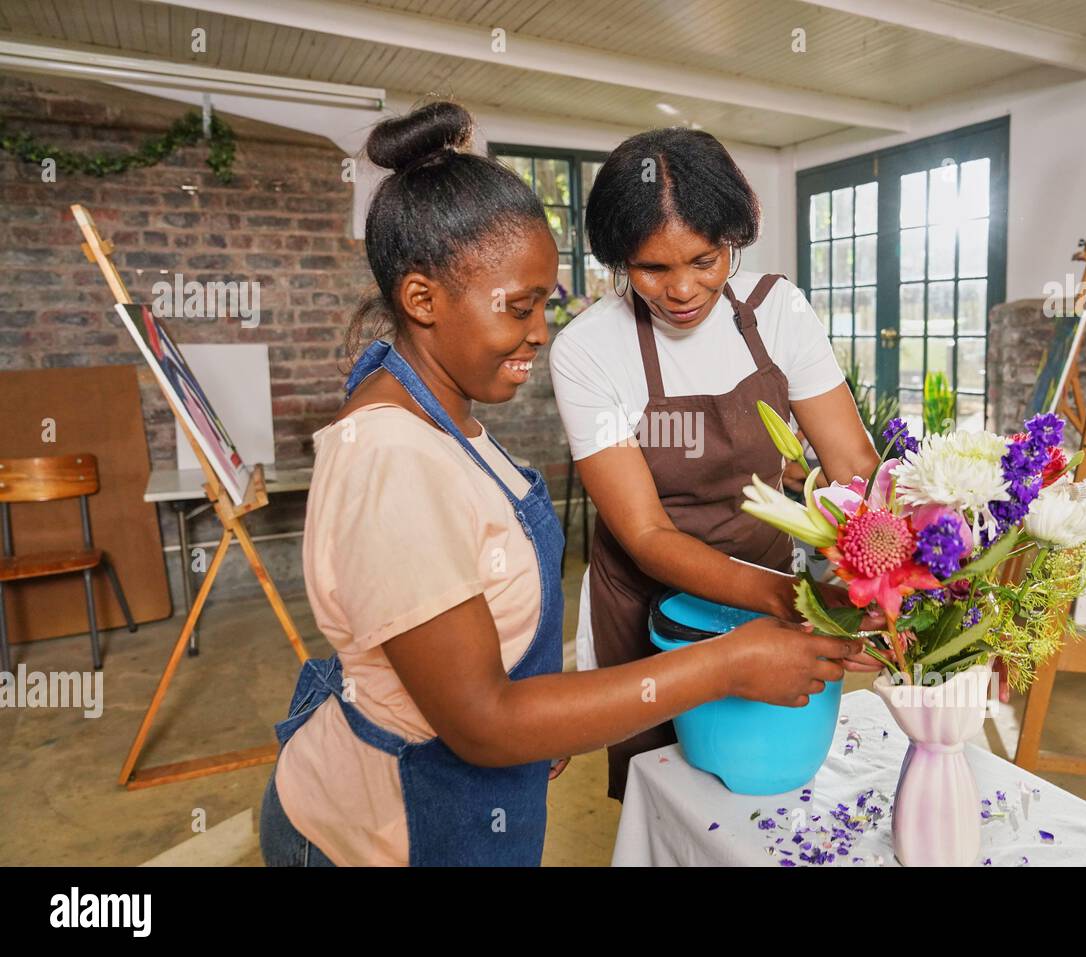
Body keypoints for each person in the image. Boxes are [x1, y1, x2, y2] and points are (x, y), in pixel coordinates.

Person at [258, 101, 856, 867]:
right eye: (521, 306)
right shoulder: (394, 456)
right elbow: (483, 720)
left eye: (544, 301)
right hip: (384, 827)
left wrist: (543, 715)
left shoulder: (441, 414)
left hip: (470, 799)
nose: (542, 331)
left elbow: (480, 662)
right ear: (420, 300)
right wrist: (730, 660)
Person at [550, 127, 881, 801]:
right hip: (651, 600)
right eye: (651, 268)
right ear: (618, 261)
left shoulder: (778, 311)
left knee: (767, 777)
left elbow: (851, 462)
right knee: (673, 800)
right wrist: (787, 599)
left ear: (733, 237)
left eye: (705, 259)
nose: (681, 290)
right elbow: (647, 535)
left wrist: (897, 565)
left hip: (764, 568)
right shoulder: (588, 349)